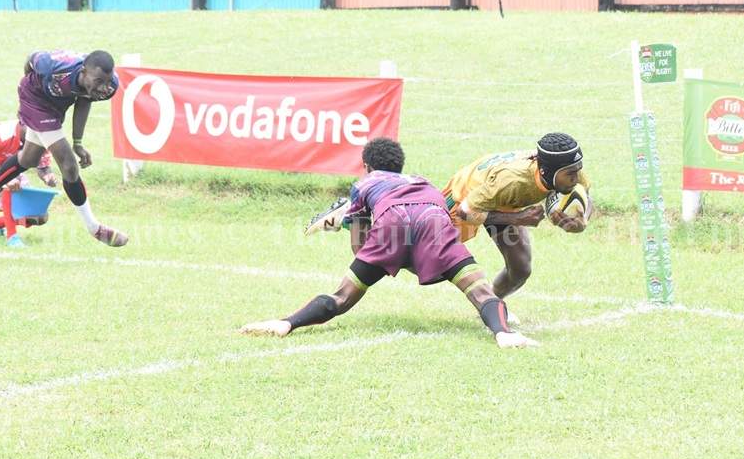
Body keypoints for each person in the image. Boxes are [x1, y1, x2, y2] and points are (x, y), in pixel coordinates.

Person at [240, 137, 538, 348]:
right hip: (435, 219)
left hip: (393, 221)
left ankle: (287, 323)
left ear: (367, 167)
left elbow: (360, 248)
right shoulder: (421, 180)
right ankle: (504, 334)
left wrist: (358, 234)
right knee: (481, 292)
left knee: (342, 296)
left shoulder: (365, 183)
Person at [0, 50, 128, 247]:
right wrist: (29, 89)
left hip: (57, 106)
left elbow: (85, 100)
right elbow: (30, 59)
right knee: (69, 166)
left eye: (108, 81)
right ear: (83, 71)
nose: (104, 87)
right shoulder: (55, 66)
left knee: (28, 160)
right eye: (99, 81)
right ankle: (94, 228)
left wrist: (78, 143)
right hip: (34, 99)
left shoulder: (108, 88)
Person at [440, 132, 592, 299]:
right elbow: (465, 211)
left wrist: (583, 219)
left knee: (520, 270)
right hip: (464, 197)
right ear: (544, 171)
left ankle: (492, 307)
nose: (576, 178)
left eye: (578, 170)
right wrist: (519, 218)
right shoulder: (514, 181)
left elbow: (585, 194)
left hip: (506, 200)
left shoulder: (568, 167)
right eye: (571, 174)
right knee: (430, 262)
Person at [0, 119, 57, 247]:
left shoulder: (39, 137)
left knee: (39, 216)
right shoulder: (0, 134)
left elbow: (43, 167)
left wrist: (47, 176)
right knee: (12, 181)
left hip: (13, 174)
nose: (38, 136)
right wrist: (5, 178)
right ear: (23, 123)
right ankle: (11, 237)